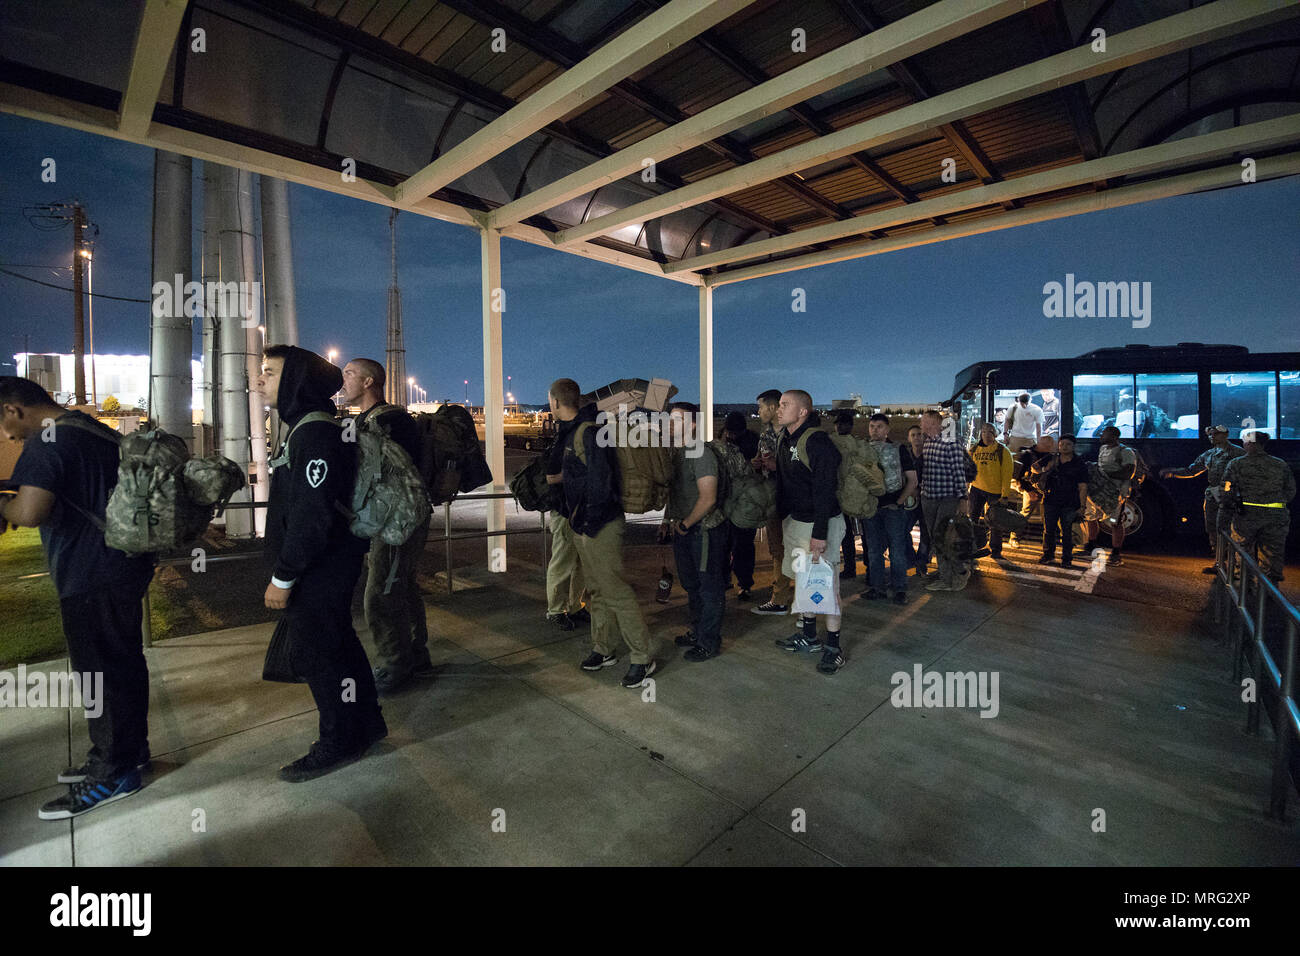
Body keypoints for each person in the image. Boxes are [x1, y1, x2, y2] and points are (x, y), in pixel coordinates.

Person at [0, 377, 155, 819]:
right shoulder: (95, 430)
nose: (8, 437)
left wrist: (2, 507)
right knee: (123, 663)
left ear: (13, 409)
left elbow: (29, 511)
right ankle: (130, 751)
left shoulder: (46, 443)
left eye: (4, 425)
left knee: (100, 674)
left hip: (89, 573)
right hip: (125, 564)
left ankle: (113, 772)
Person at [258, 345, 386, 782]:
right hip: (324, 564)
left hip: (319, 569)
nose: (260, 381)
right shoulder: (305, 429)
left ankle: (338, 740)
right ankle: (365, 726)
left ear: (296, 380)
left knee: (320, 658)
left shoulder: (314, 434)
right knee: (340, 646)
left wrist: (283, 577)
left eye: (270, 373)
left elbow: (311, 517)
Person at [554, 378, 657, 688]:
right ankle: (604, 648)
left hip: (599, 525)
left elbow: (600, 484)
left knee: (616, 591)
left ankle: (641, 657)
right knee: (597, 590)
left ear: (556, 403)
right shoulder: (576, 430)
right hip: (585, 524)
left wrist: (588, 524)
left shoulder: (590, 433)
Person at [340, 358, 434, 695]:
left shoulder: (391, 421)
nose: (343, 379)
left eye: (349, 374)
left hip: (398, 522)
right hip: (390, 519)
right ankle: (415, 654)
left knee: (379, 594)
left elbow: (389, 480)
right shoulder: (368, 420)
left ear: (368, 382)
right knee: (401, 586)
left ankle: (395, 664)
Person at [771, 390, 845, 674]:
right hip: (797, 522)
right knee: (805, 584)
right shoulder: (785, 438)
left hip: (819, 524)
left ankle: (834, 647)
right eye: (779, 405)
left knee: (829, 587)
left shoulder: (817, 441)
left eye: (785, 405)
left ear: (803, 411)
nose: (779, 409)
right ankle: (809, 636)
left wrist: (820, 533)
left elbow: (825, 490)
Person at [663, 403, 727, 662]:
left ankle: (708, 641)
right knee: (691, 585)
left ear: (691, 424)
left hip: (704, 530)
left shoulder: (700, 452)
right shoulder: (677, 453)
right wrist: (668, 521)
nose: (669, 423)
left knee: (709, 588)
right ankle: (698, 631)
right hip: (685, 528)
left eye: (676, 419)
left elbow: (708, 498)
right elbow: (677, 493)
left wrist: (686, 524)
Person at [1160, 425, 1245, 574]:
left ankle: (1238, 568)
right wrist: (1173, 472)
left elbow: (1246, 475)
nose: (1212, 437)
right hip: (1213, 496)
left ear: (1225, 435)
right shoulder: (1209, 454)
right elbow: (1192, 470)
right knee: (1213, 529)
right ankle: (1220, 564)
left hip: (1231, 497)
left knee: (1232, 531)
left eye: (1215, 434)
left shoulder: (1238, 453)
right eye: (1210, 435)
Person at [542, 379, 590, 631]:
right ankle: (566, 607)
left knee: (565, 560)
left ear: (556, 401)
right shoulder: (585, 427)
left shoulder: (566, 432)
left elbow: (551, 476)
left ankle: (563, 609)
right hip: (578, 508)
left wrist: (573, 472)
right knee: (574, 561)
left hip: (566, 508)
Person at [1222, 431, 1294, 584]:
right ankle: (1268, 588)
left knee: (1242, 549)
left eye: (1244, 441)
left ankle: (1243, 583)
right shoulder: (1280, 464)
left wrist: (1230, 503)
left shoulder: (1236, 463)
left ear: (1249, 443)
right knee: (1272, 552)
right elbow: (1290, 490)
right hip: (1276, 515)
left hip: (1247, 515)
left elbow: (1227, 488)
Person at [862, 413, 918, 604]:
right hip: (870, 509)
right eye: (871, 426)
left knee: (897, 550)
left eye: (879, 426)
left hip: (894, 509)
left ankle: (900, 589)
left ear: (887, 430)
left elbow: (912, 479)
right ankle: (877, 588)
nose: (874, 430)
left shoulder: (898, 449)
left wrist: (900, 502)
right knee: (874, 550)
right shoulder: (863, 449)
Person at [918, 410, 970, 592]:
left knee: (944, 538)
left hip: (947, 498)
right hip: (929, 498)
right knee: (936, 538)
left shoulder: (951, 443)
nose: (921, 424)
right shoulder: (927, 443)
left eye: (924, 421)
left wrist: (963, 498)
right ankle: (947, 573)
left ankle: (955, 576)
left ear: (935, 423)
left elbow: (959, 473)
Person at [751, 389, 793, 615]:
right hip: (771, 496)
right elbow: (762, 457)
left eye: (760, 407)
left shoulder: (793, 432)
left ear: (773, 407)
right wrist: (758, 463)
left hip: (792, 499)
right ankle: (781, 595)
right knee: (777, 549)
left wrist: (779, 467)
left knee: (792, 548)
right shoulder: (765, 433)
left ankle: (781, 598)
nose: (758, 412)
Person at [1084, 425, 1137, 566]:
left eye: (1104, 434)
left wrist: (1104, 475)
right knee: (1091, 516)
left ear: (1114, 436)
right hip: (1098, 492)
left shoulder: (1126, 452)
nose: (1101, 436)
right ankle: (1092, 545)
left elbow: (1128, 473)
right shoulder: (1103, 449)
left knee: (1116, 522)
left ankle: (1116, 553)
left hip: (1115, 492)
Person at [1036, 434, 1090, 566]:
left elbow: (1083, 486)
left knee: (1067, 532)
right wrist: (1045, 469)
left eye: (1068, 444)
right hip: (1050, 500)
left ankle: (1067, 559)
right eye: (1061, 444)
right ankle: (1048, 555)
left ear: (1073, 446)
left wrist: (1082, 507)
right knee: (1048, 530)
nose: (1064, 447)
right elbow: (1034, 467)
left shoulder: (1079, 463)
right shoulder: (1052, 458)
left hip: (1070, 502)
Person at [722, 410, 758, 599]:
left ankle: (744, 583)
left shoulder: (752, 443)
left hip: (745, 504)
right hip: (726, 502)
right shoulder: (722, 441)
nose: (730, 436)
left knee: (743, 546)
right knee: (723, 544)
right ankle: (725, 578)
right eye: (729, 432)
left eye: (734, 433)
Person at [967, 422, 1014, 559]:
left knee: (996, 521)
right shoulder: (974, 449)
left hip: (995, 491)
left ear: (995, 434)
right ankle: (973, 546)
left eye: (990, 432)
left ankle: (996, 549)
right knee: (972, 518)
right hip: (976, 489)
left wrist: (1005, 495)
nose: (986, 435)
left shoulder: (1002, 450)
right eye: (984, 432)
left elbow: (1006, 474)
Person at [832, 409, 861, 581]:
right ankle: (851, 567)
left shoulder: (834, 442)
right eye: (838, 424)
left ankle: (850, 567)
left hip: (846, 493)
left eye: (842, 424)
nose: (839, 427)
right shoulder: (855, 443)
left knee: (845, 534)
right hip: (845, 493)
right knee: (847, 534)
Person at [904, 424, 929, 573]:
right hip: (911, 501)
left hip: (927, 499)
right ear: (908, 438)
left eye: (919, 434)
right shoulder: (905, 456)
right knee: (903, 529)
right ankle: (910, 557)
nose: (916, 438)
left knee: (926, 534)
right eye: (913, 435)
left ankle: (922, 561)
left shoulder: (930, 455)